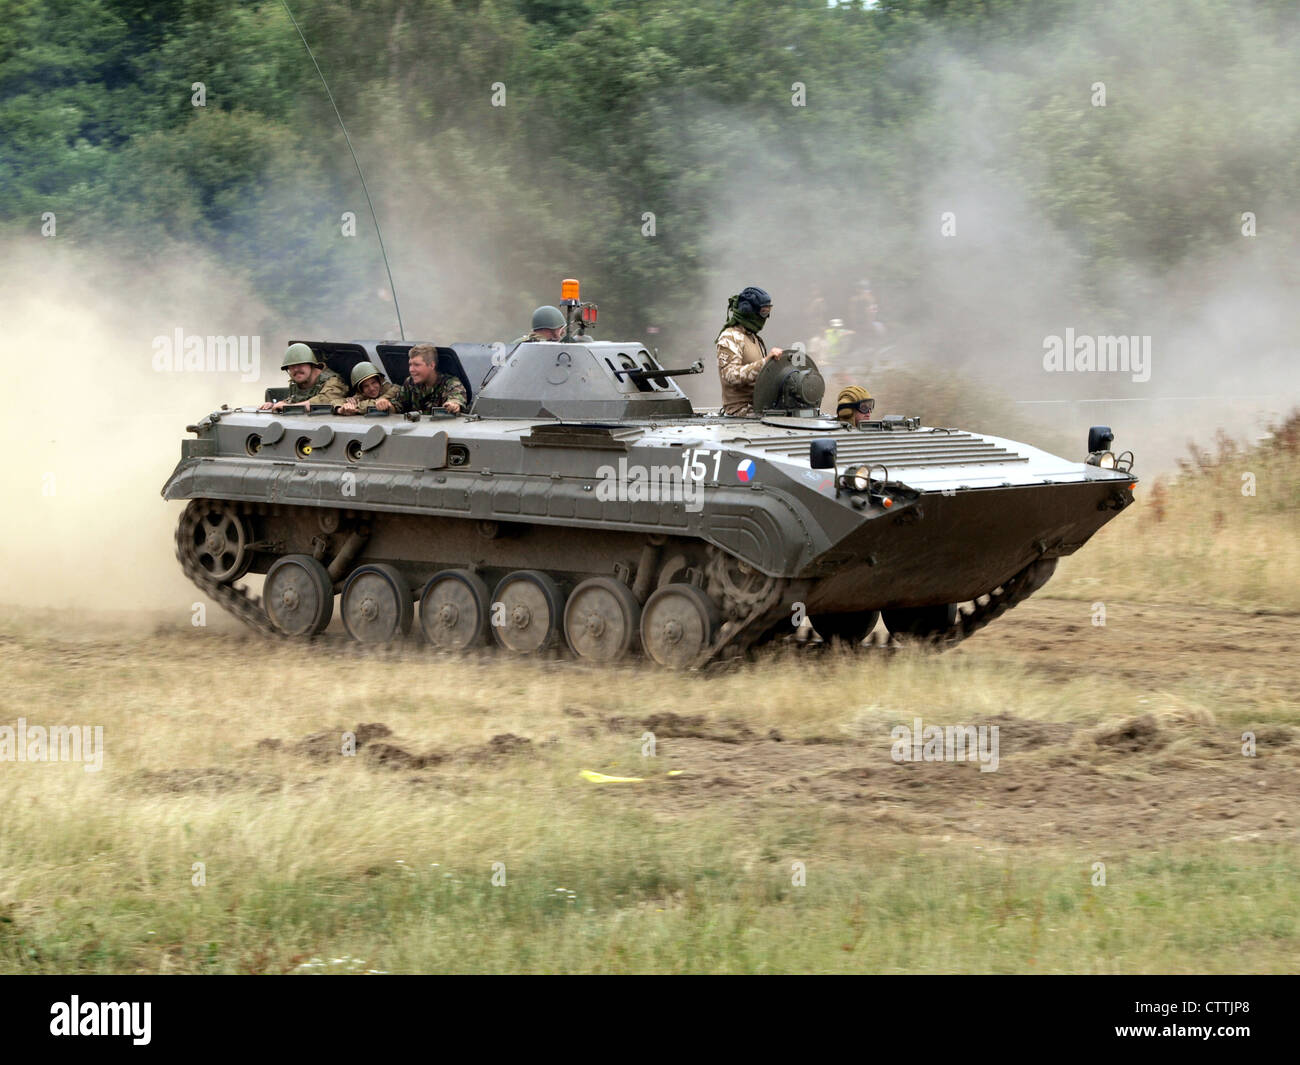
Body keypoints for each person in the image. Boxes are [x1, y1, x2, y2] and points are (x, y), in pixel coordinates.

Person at [716, 285, 783, 416]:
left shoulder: (754, 338)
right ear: (749, 311)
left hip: (759, 408)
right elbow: (731, 375)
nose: (766, 317)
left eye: (768, 311)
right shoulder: (729, 337)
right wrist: (765, 363)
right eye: (763, 312)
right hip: (739, 412)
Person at [259, 343, 348, 412]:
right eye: (291, 367)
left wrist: (287, 407)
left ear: (311, 365)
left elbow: (323, 402)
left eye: (300, 365)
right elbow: (295, 400)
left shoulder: (333, 382)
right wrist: (274, 405)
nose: (296, 370)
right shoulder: (297, 382)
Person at [393, 344, 468, 415]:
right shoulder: (410, 382)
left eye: (417, 365)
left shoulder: (450, 383)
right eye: (410, 364)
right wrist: (388, 405)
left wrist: (453, 404)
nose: (411, 369)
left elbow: (457, 398)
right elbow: (398, 405)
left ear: (432, 365)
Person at [336, 361, 401, 415]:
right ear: (361, 390)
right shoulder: (363, 395)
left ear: (380, 382)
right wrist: (340, 409)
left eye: (374, 383)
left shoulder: (394, 390)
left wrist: (354, 407)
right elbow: (335, 402)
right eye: (366, 386)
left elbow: (375, 404)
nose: (371, 388)